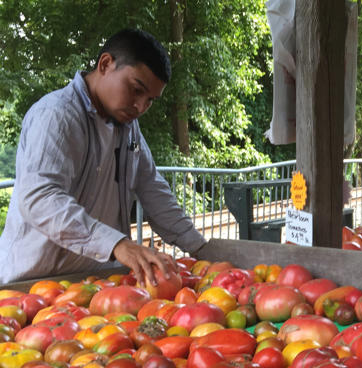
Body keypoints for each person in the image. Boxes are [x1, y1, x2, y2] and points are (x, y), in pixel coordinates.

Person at [0, 28, 212, 286]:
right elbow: (40, 198)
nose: (140, 107)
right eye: (136, 90)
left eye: (150, 100)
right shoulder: (56, 115)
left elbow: (153, 190)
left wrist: (202, 251)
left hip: (98, 286)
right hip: (32, 287)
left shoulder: (129, 127)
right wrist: (117, 244)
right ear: (105, 64)